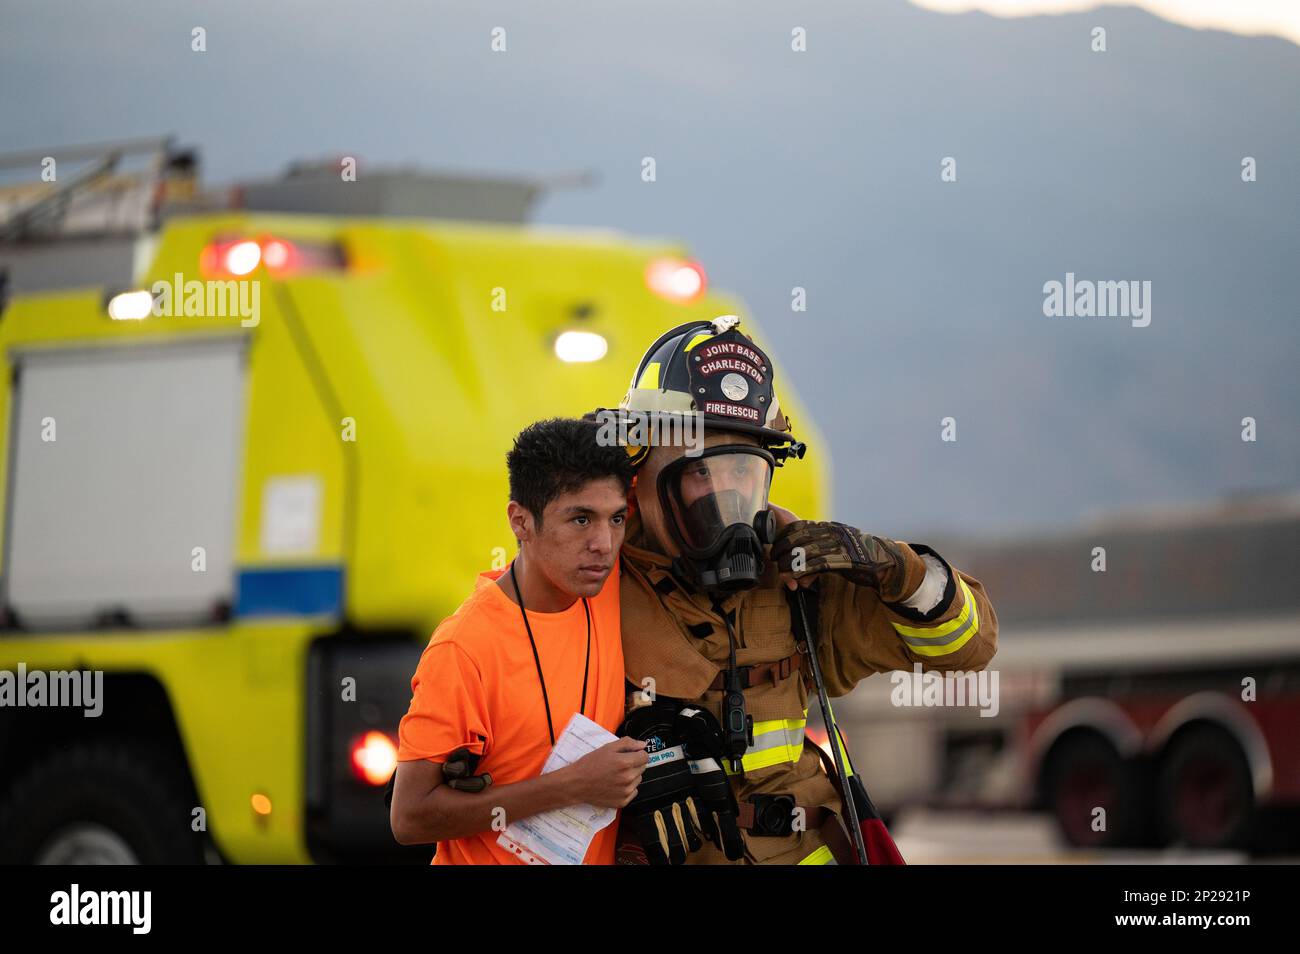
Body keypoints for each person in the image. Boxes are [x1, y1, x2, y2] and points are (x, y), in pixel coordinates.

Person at [594, 315, 999, 864]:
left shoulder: (798, 580)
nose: (727, 495)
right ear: (641, 473)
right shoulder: (595, 584)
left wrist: (895, 568)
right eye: (701, 475)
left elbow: (970, 646)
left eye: (745, 471)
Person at [389, 417, 649, 864]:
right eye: (581, 519)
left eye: (617, 519)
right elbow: (410, 818)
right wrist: (574, 785)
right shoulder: (464, 648)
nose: (604, 544)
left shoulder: (607, 581)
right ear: (521, 521)